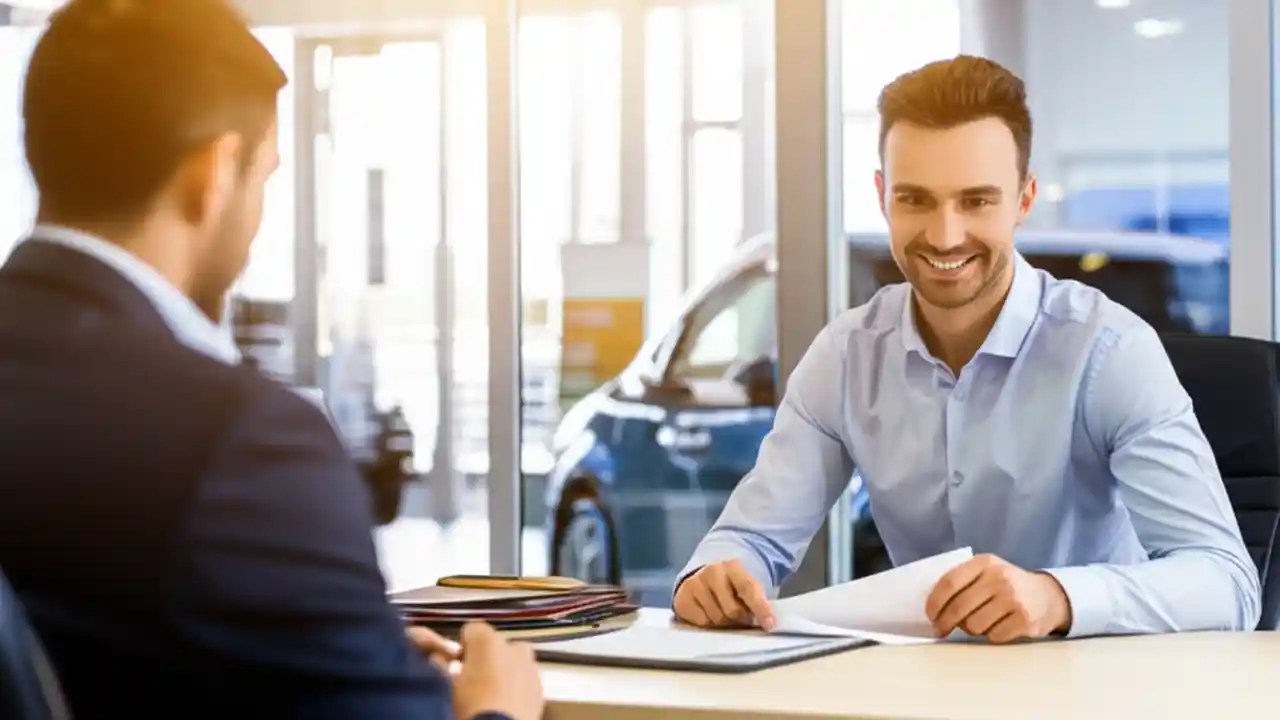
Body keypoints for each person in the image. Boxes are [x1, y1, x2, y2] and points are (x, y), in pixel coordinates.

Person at [0, 1, 541, 718]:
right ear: (214, 174)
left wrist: (353, 656)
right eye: (263, 176)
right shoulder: (239, 444)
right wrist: (496, 707)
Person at [673, 55, 1261, 642]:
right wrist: (714, 579)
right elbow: (750, 540)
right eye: (915, 200)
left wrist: (1057, 597)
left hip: (1097, 680)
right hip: (923, 681)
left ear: (1024, 199)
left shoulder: (1108, 352)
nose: (944, 236)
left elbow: (1228, 583)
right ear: (882, 195)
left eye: (976, 201)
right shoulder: (847, 355)